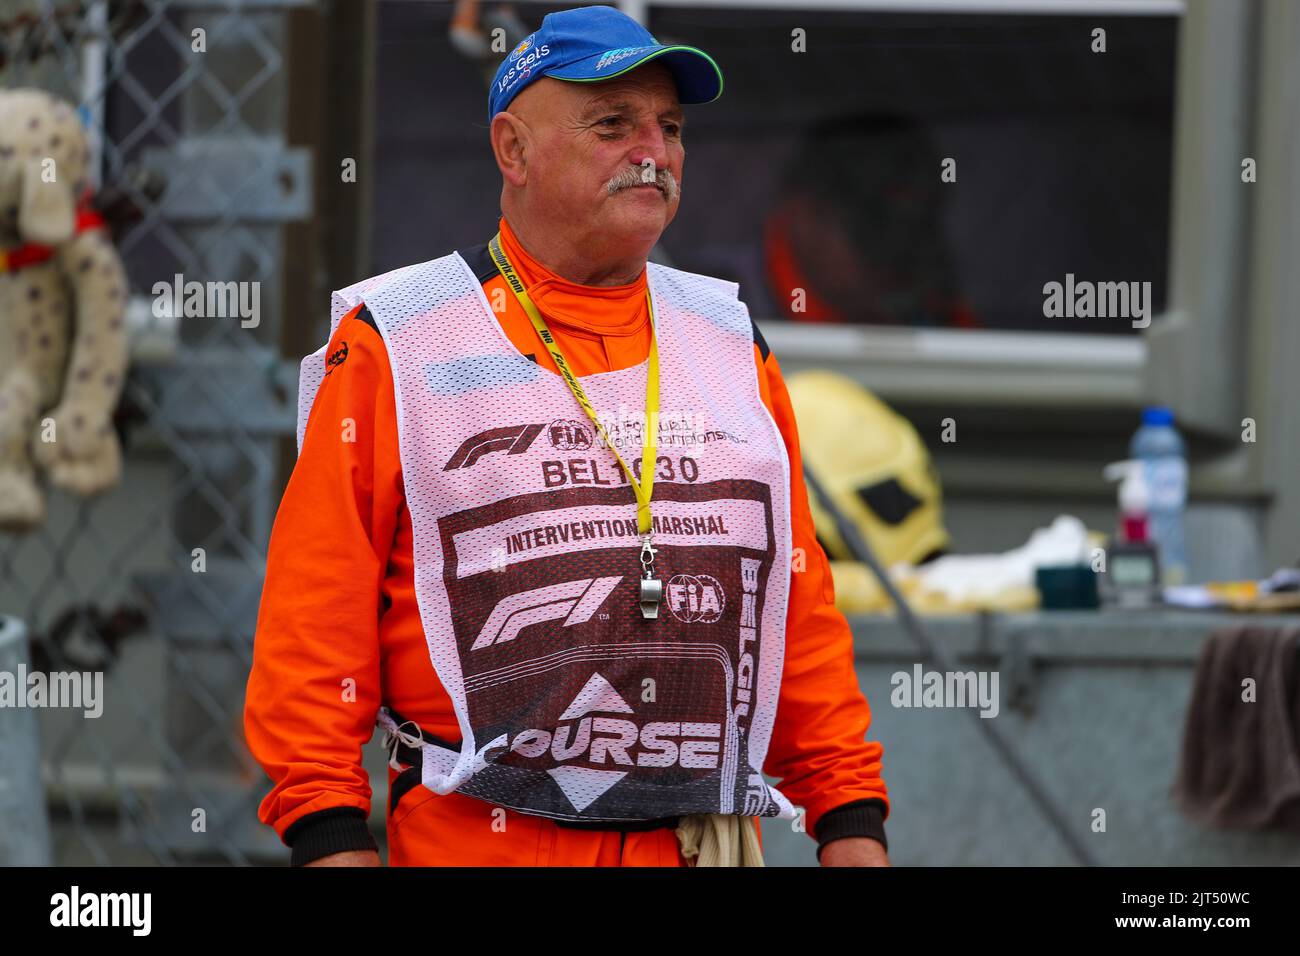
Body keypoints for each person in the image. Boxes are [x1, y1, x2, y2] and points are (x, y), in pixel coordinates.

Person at [244, 4, 890, 867]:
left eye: (669, 128)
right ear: (512, 149)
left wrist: (849, 816)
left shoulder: (729, 341)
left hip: (693, 846)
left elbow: (792, 610)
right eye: (612, 125)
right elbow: (315, 616)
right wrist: (327, 835)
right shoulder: (398, 339)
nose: (653, 153)